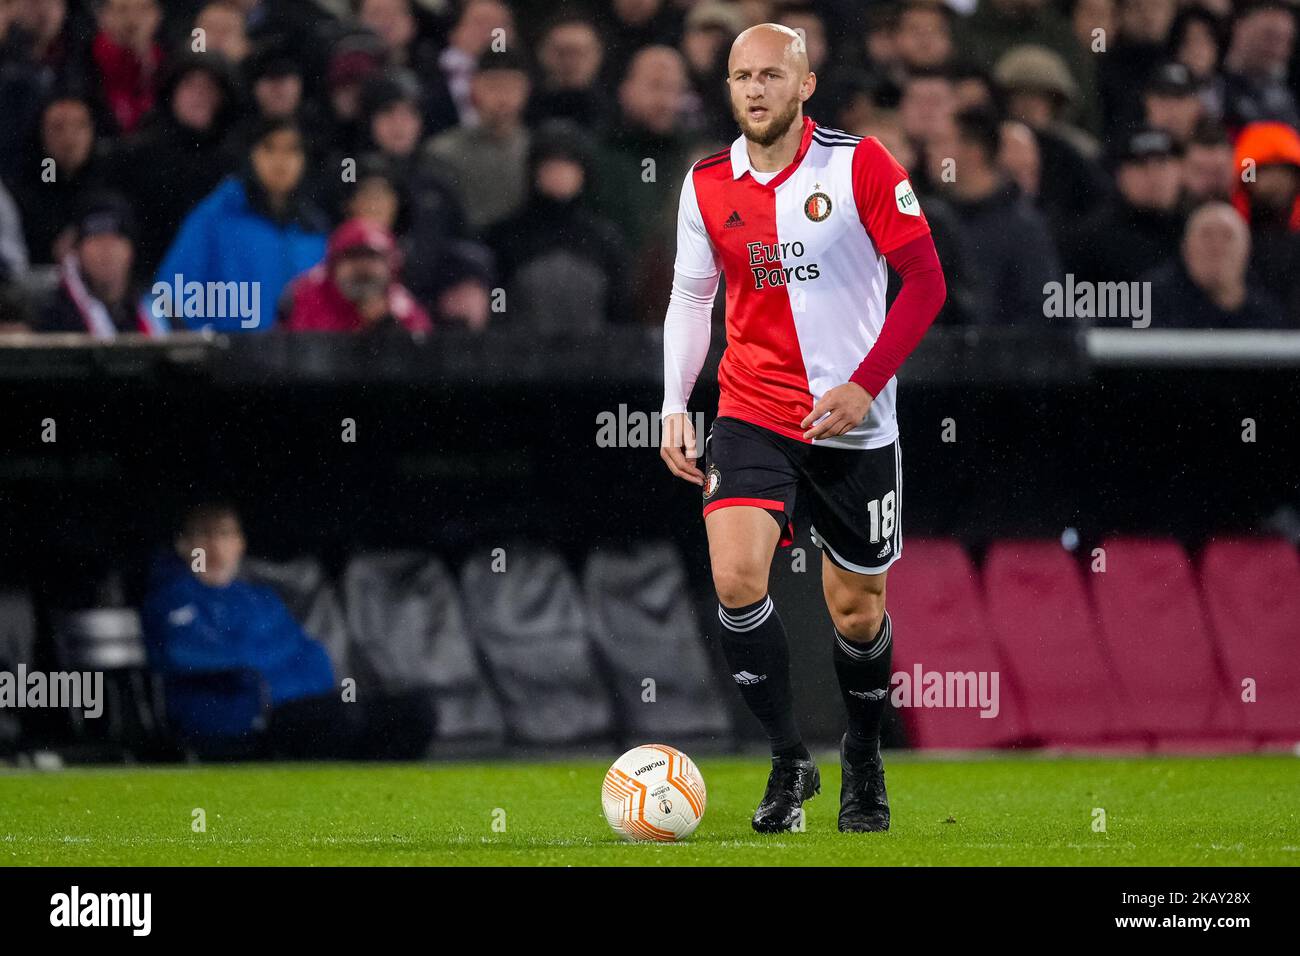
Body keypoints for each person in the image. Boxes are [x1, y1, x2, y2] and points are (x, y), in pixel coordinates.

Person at [658, 24, 946, 834]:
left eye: (771, 75)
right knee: (737, 579)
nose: (754, 89)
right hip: (752, 408)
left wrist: (863, 385)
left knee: (856, 612)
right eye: (740, 76)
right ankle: (789, 760)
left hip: (855, 422)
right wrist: (677, 405)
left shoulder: (860, 163)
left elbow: (925, 281)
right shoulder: (707, 182)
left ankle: (862, 751)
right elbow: (691, 298)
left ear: (805, 85)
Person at [140, 501, 349, 758]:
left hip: (282, 710)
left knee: (366, 712)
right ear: (184, 546)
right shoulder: (171, 599)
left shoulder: (261, 599)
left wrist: (264, 677)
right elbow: (181, 655)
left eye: (225, 534)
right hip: (215, 718)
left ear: (240, 543)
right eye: (204, 535)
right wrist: (261, 663)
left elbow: (314, 660)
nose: (215, 547)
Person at [152, 116, 328, 331]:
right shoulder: (215, 218)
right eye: (269, 148)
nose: (281, 161)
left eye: (292, 150)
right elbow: (169, 298)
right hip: (231, 359)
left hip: (300, 358)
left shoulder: (314, 230)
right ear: (250, 154)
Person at [34, 193, 166, 336]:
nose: (106, 250)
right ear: (77, 252)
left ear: (131, 249)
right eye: (96, 240)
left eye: (114, 240)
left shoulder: (158, 310)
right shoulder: (56, 318)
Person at [1141, 201, 1285, 328]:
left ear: (1247, 249)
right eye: (1206, 235)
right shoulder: (1151, 302)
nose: (1216, 247)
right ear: (1185, 247)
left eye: (1227, 236)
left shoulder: (1267, 315)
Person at [281, 217, 431, 336]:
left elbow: (421, 354)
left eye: (371, 257)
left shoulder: (402, 309)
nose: (362, 267)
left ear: (390, 266)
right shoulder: (305, 297)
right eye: (352, 256)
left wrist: (388, 326)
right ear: (333, 265)